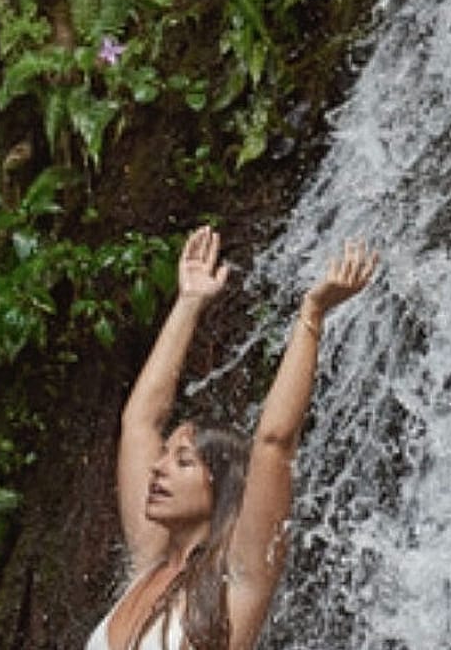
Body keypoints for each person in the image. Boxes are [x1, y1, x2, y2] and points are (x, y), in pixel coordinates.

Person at [86, 225, 378, 650]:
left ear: (221, 486)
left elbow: (274, 442)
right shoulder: (149, 562)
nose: (157, 466)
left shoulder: (238, 581)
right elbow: (141, 422)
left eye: (182, 461)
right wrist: (189, 302)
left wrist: (311, 315)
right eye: (166, 457)